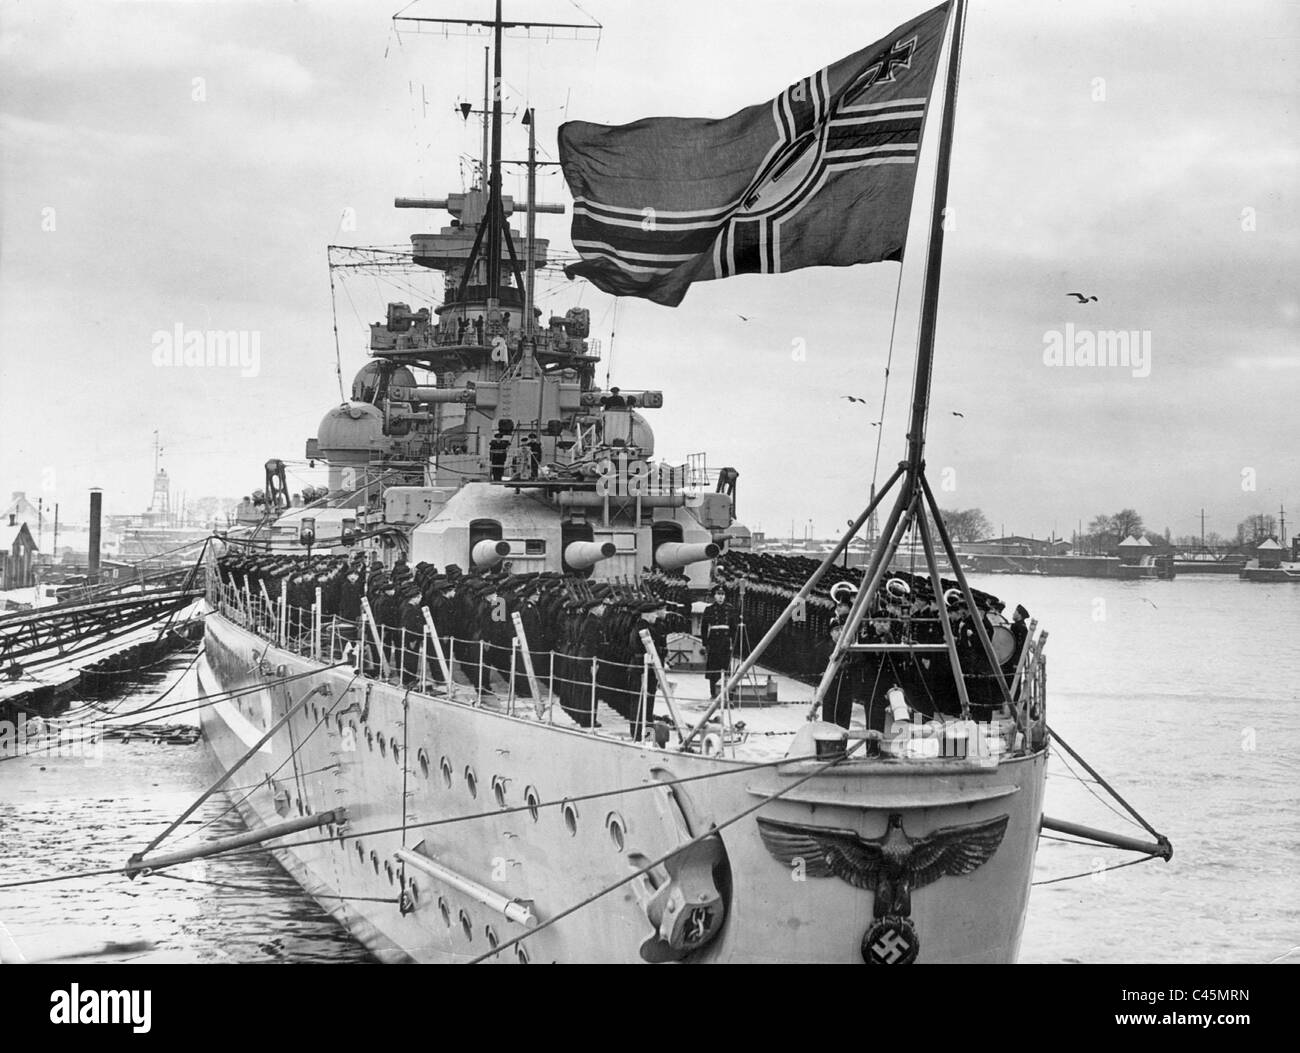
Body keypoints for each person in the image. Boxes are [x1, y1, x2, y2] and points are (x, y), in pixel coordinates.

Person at [700, 585, 738, 699]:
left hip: (725, 640)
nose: (721, 597)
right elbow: (704, 626)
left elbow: (733, 627)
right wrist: (705, 642)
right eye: (718, 594)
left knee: (725, 666)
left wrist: (734, 642)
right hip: (714, 641)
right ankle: (713, 691)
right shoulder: (709, 609)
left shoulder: (730, 609)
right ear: (714, 596)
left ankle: (726, 692)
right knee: (713, 667)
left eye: (723, 595)